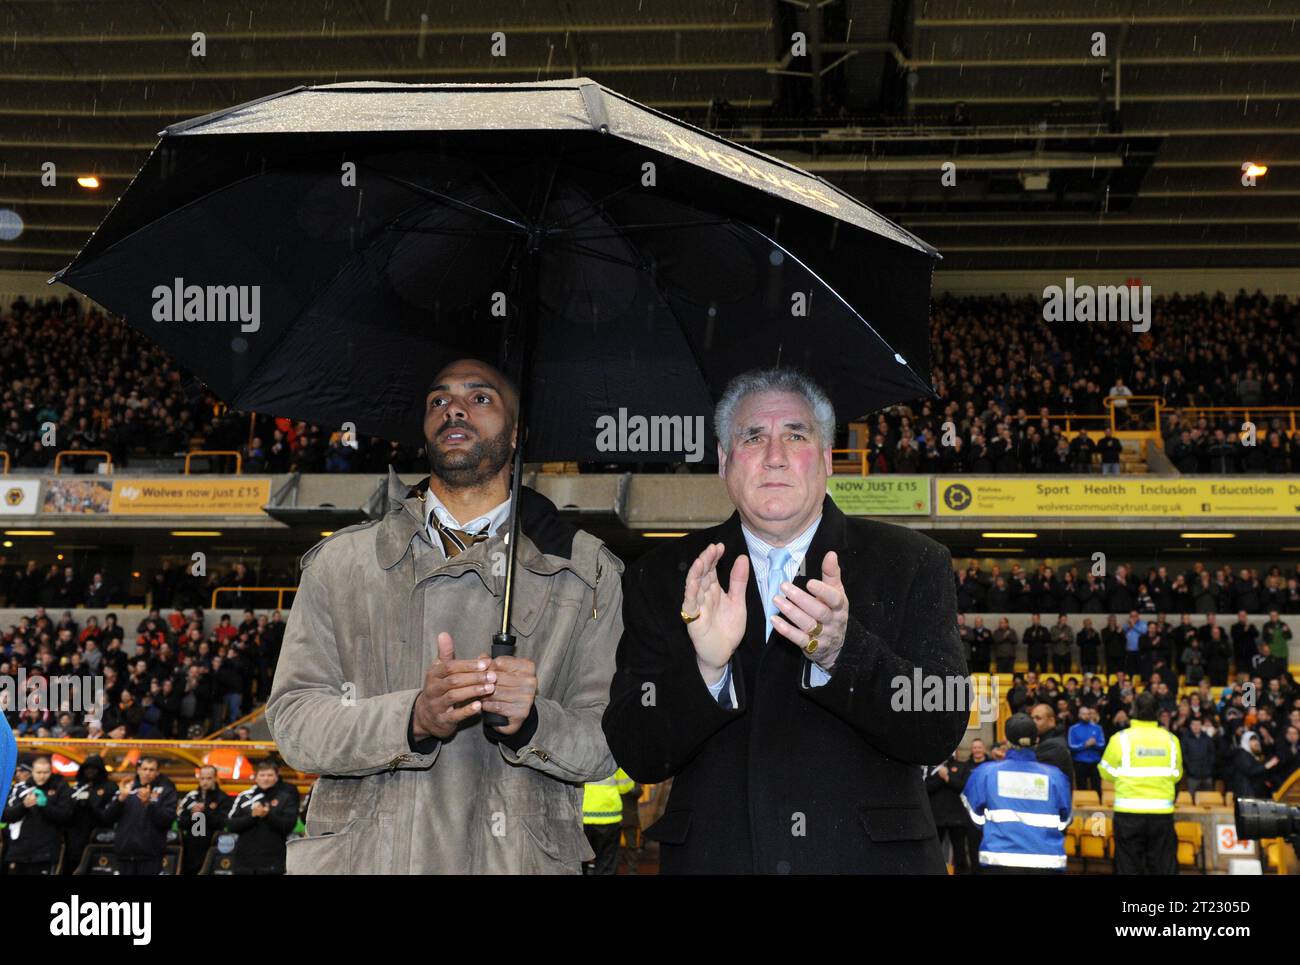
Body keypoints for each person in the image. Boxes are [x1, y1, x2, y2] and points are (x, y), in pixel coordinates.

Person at [603, 367, 968, 874]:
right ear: (725, 463)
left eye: (795, 435)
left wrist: (845, 653)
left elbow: (938, 727)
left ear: (825, 459)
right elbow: (637, 752)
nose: (774, 455)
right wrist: (705, 671)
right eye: (753, 437)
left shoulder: (911, 561)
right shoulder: (662, 575)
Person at [267, 359, 625, 874]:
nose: (453, 408)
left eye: (481, 399)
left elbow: (606, 743)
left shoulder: (587, 572)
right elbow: (295, 723)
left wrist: (533, 723)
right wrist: (411, 719)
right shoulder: (341, 563)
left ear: (517, 432)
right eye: (439, 400)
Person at [960, 714, 1071, 873]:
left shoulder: (985, 772)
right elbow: (1065, 821)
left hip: (1000, 859)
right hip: (1047, 861)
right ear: (1036, 740)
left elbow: (974, 816)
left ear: (1006, 741)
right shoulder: (1056, 777)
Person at [1100, 692, 1181, 875]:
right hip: (1161, 815)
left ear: (1133, 710)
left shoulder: (1120, 739)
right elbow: (1176, 775)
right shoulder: (1171, 740)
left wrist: (1125, 777)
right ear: (1158, 713)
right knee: (1162, 867)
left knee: (1128, 866)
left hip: (1128, 814)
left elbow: (1105, 771)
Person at [98, 756, 178, 875]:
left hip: (150, 855)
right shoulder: (126, 789)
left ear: (157, 772)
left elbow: (167, 820)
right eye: (144, 769)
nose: (147, 773)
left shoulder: (167, 791)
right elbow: (106, 818)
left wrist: (149, 804)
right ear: (138, 770)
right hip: (124, 853)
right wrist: (120, 799)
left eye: (151, 770)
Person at [227, 760, 300, 875]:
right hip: (244, 862)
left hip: (273, 862)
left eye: (270, 775)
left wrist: (267, 815)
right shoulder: (244, 797)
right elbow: (231, 825)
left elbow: (288, 826)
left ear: (276, 777)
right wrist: (252, 816)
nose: (266, 779)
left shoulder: (286, 798)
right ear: (255, 777)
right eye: (262, 775)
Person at [2, 756, 73, 874]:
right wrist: (23, 806)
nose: (42, 776)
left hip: (45, 853)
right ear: (32, 772)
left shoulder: (60, 787)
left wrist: (45, 806)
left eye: (46, 772)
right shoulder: (20, 788)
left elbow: (67, 816)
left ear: (51, 771)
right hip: (19, 852)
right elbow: (6, 815)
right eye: (38, 772)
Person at [176, 764, 233, 875]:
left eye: (209, 778)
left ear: (215, 778)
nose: (205, 782)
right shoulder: (190, 797)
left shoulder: (223, 798)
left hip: (212, 847)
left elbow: (222, 823)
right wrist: (193, 815)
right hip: (190, 848)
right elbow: (181, 823)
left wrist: (205, 812)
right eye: (202, 778)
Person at [64, 754, 113, 875]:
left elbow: (110, 815)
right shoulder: (76, 788)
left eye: (94, 768)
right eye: (87, 768)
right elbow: (65, 812)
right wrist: (76, 803)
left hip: (99, 837)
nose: (90, 771)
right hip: (74, 838)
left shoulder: (110, 787)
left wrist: (90, 805)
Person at [581, 767, 635, 875]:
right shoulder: (614, 755)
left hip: (583, 816)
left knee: (579, 862)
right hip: (609, 817)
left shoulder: (579, 753)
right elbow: (626, 787)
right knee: (606, 863)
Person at [1030, 702, 1075, 790]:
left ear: (1051, 721)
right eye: (1032, 718)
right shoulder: (1046, 740)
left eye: (1038, 718)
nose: (1033, 722)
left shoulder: (1053, 745)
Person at [1068, 705, 1105, 792]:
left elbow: (1102, 744)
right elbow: (1071, 746)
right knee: (1081, 787)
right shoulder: (1073, 729)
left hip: (1095, 762)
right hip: (1080, 762)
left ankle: (1098, 804)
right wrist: (1085, 745)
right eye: (1084, 714)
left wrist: (1095, 744)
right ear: (1079, 715)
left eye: (1088, 714)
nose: (1086, 716)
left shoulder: (1098, 728)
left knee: (1097, 787)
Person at [1180, 716, 1216, 796]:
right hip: (1192, 776)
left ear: (1201, 726)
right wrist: (1190, 769)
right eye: (1194, 724)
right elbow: (1184, 756)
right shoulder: (1185, 739)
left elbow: (1212, 754)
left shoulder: (1207, 738)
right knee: (1191, 799)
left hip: (1207, 775)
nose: (1196, 726)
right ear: (1190, 726)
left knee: (1207, 800)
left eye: (1198, 724)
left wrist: (1209, 769)